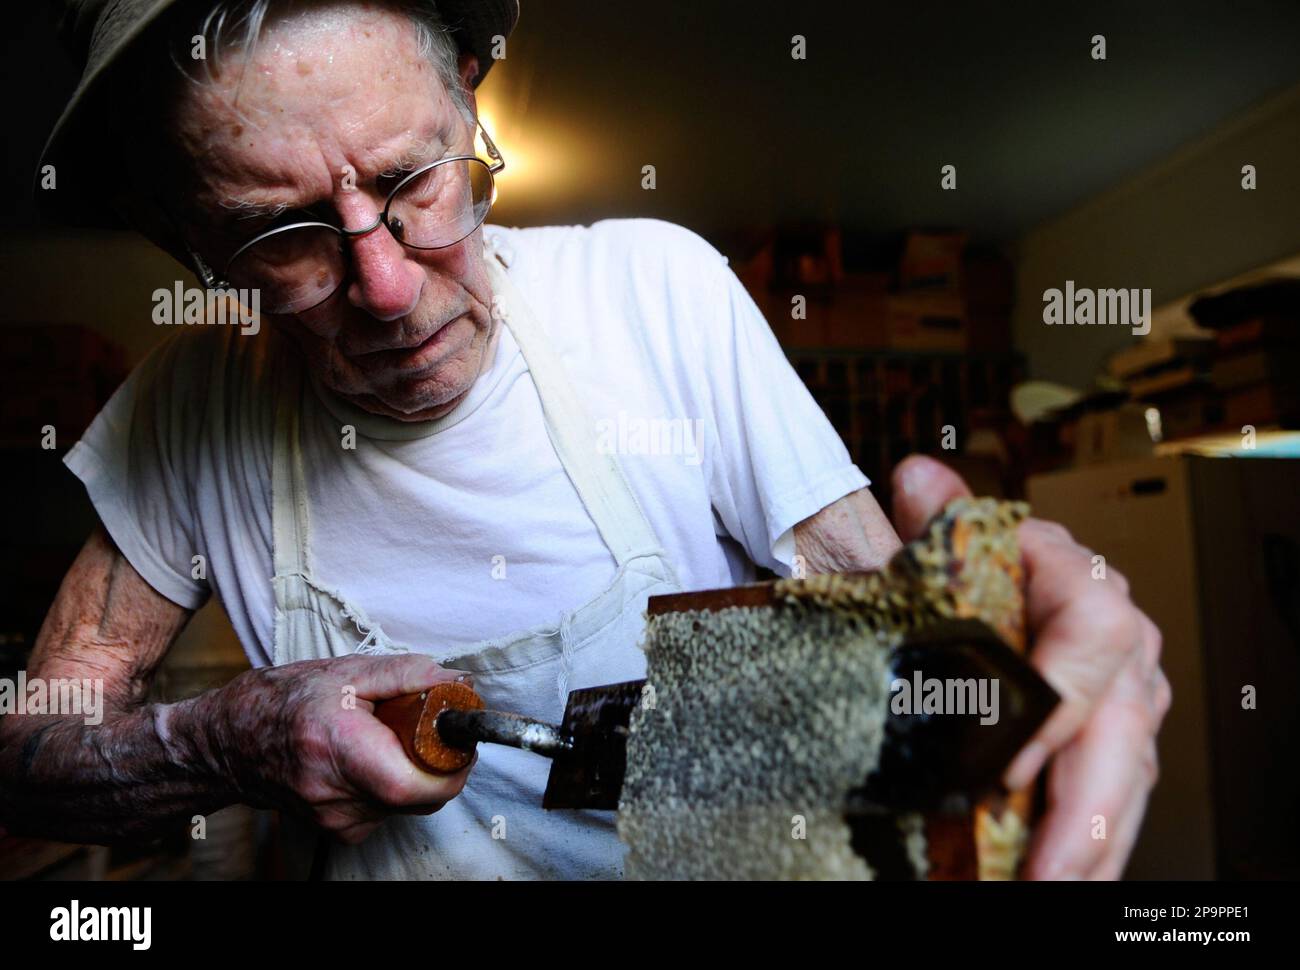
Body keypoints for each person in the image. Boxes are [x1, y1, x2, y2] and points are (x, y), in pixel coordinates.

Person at [0, 0, 1169, 879]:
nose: (389, 288)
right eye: (285, 236)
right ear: (188, 237)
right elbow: (27, 751)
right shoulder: (183, 408)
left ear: (469, 101)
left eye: (417, 180)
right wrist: (224, 742)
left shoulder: (655, 291)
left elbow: (898, 649)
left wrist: (1006, 675)